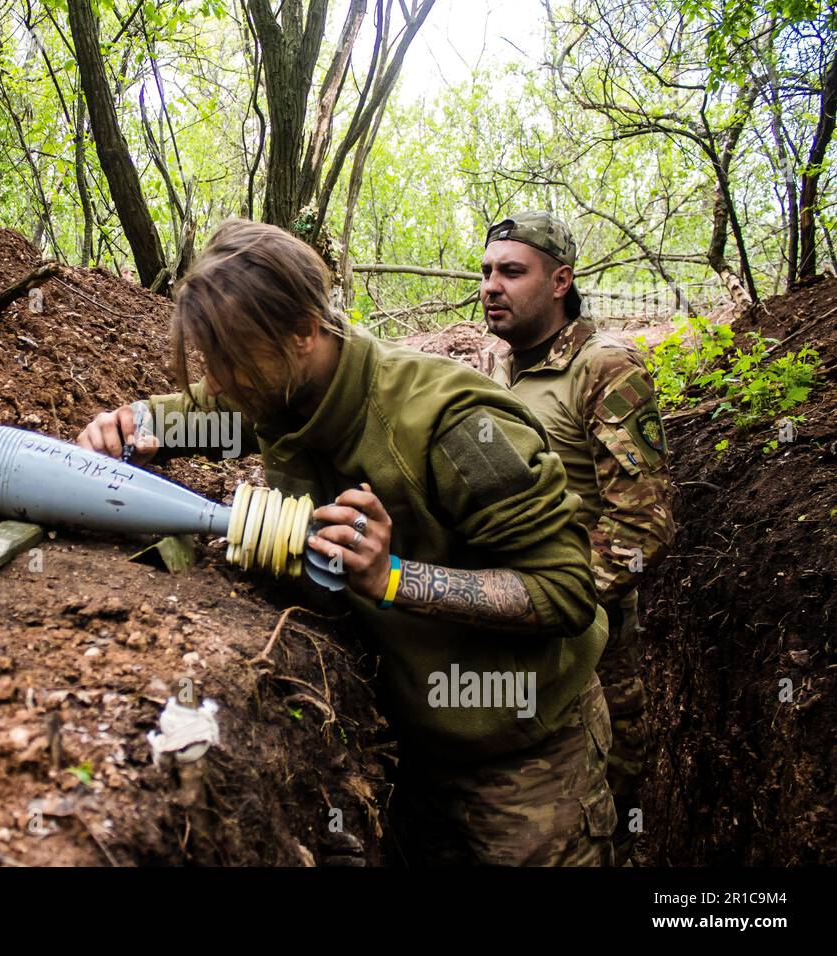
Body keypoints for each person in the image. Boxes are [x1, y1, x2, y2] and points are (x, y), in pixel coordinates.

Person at [77, 218, 617, 865]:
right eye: (208, 362)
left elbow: (564, 591)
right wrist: (133, 424)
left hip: (525, 755)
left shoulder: (449, 423)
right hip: (409, 746)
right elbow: (204, 415)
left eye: (229, 361)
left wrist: (392, 577)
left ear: (304, 331)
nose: (216, 383)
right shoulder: (278, 393)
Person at [478, 210, 676, 864]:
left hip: (594, 647)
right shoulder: (491, 369)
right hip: (503, 643)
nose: (491, 286)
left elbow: (642, 524)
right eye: (485, 271)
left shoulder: (605, 368)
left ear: (560, 280)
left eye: (512, 271)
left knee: (603, 823)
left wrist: (546, 602)